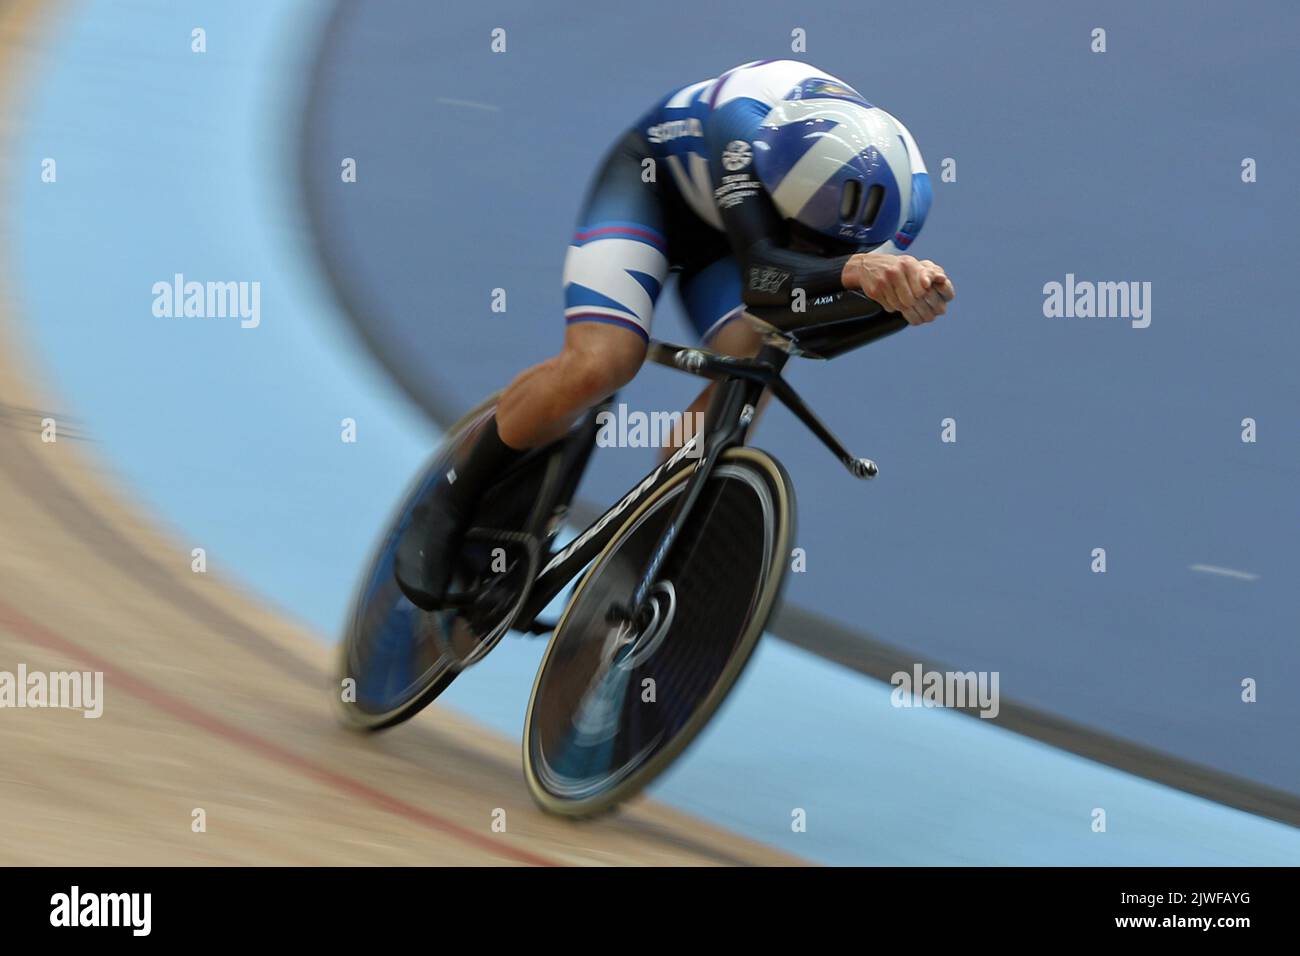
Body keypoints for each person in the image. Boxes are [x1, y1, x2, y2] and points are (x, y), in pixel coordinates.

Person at [395, 58, 955, 609]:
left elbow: (810, 333)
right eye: (808, 235)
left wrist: (900, 308)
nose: (822, 250)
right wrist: (851, 272)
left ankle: (657, 522)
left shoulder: (906, 205)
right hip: (655, 193)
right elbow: (764, 273)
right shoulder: (745, 123)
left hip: (746, 244)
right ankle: (451, 496)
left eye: (829, 244)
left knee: (753, 364)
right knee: (605, 362)